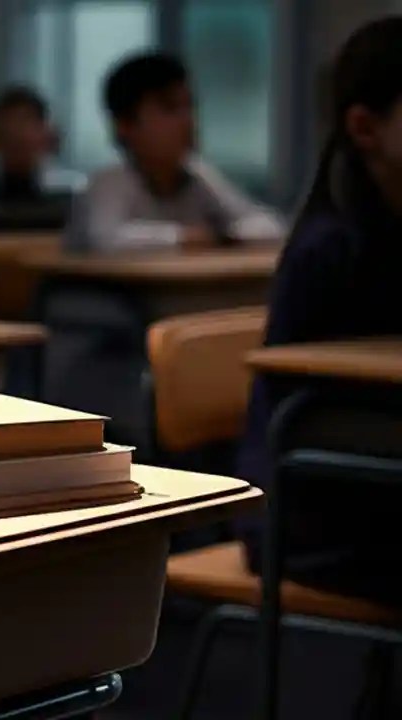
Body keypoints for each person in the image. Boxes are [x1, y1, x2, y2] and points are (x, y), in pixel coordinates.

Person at [236, 17, 402, 604]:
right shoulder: (329, 248)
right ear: (364, 127)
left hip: (372, 487)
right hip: (309, 512)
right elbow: (302, 420)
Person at [65, 52, 284, 253]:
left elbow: (269, 227)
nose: (187, 120)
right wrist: (182, 237)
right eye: (169, 108)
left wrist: (224, 236)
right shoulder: (108, 183)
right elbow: (105, 239)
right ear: (125, 124)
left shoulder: (198, 173)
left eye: (189, 106)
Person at [0, 86, 85, 205]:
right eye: (10, 132)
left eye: (26, 123)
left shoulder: (71, 193)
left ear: (46, 135)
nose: (19, 134)